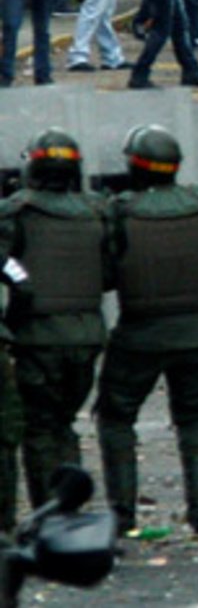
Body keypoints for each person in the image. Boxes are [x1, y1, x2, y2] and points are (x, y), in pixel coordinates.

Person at [95, 125, 198, 535]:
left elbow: (106, 274)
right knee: (197, 418)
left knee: (116, 417)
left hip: (140, 335)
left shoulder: (120, 211)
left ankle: (122, 513)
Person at [0, 130, 108, 517]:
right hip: (88, 334)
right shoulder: (97, 211)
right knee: (64, 425)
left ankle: (50, 514)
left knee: (40, 428)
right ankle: (69, 511)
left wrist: (13, 319)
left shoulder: (17, 211)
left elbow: (10, 270)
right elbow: (110, 270)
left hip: (38, 337)